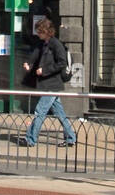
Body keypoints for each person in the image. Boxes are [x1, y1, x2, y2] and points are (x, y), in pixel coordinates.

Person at [20, 17, 76, 149]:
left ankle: (30, 139)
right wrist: (29, 64)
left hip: (52, 84)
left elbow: (61, 63)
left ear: (46, 31)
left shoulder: (56, 44)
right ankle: (70, 138)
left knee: (40, 111)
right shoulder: (42, 44)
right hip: (47, 83)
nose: (38, 34)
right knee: (60, 113)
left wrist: (44, 70)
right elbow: (35, 56)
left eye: (40, 32)